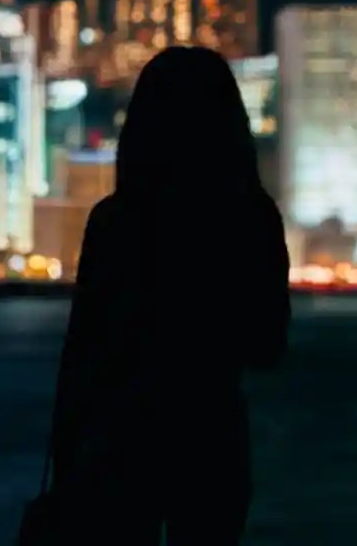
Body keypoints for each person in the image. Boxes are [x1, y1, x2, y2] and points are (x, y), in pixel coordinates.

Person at [50, 47, 290, 544]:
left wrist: (68, 447)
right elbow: (267, 344)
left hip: (123, 434)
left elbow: (83, 349)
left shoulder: (116, 220)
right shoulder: (252, 217)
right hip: (211, 431)